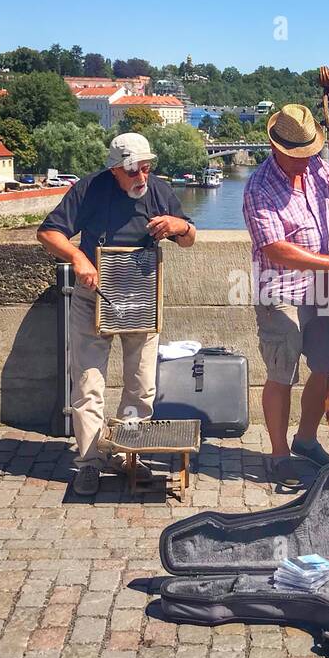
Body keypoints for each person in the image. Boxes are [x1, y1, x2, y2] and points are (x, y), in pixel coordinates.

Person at [37, 132, 196, 496]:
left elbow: (190, 238)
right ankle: (90, 462)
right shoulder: (89, 189)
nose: (141, 177)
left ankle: (129, 454)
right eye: (132, 171)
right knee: (88, 385)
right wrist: (78, 257)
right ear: (114, 171)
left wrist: (180, 226)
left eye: (146, 168)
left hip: (141, 301)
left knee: (141, 387)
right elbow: (47, 233)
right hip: (94, 298)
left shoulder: (158, 190)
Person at [242, 102, 329, 485]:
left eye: (310, 153)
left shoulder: (314, 167)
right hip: (280, 291)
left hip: (320, 290)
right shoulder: (259, 187)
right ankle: (279, 454)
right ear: (276, 148)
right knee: (282, 373)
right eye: (298, 156)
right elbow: (275, 248)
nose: (305, 161)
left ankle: (306, 440)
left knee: (327, 366)